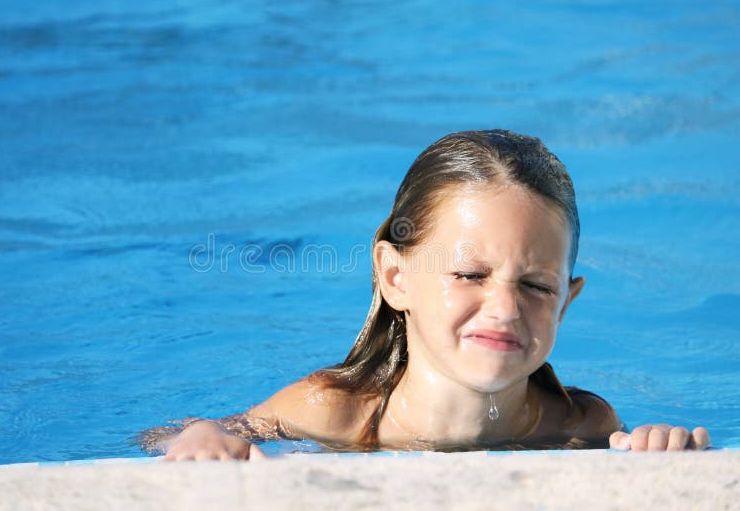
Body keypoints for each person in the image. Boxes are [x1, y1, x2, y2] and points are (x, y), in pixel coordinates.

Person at [137, 130, 711, 460]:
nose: (506, 308)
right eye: (469, 275)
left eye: (536, 286)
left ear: (566, 300)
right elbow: (167, 435)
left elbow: (634, 456)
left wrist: (660, 449)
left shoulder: (579, 423)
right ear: (395, 278)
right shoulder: (334, 411)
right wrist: (201, 437)